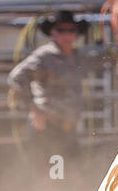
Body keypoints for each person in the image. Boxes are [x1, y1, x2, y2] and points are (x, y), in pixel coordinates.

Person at [8, 9, 89, 163]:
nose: (67, 35)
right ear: (53, 32)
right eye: (61, 30)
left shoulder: (77, 56)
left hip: (68, 126)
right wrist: (35, 111)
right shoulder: (44, 56)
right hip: (47, 126)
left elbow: (100, 61)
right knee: (52, 174)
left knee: (71, 172)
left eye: (71, 30)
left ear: (76, 33)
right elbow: (16, 78)